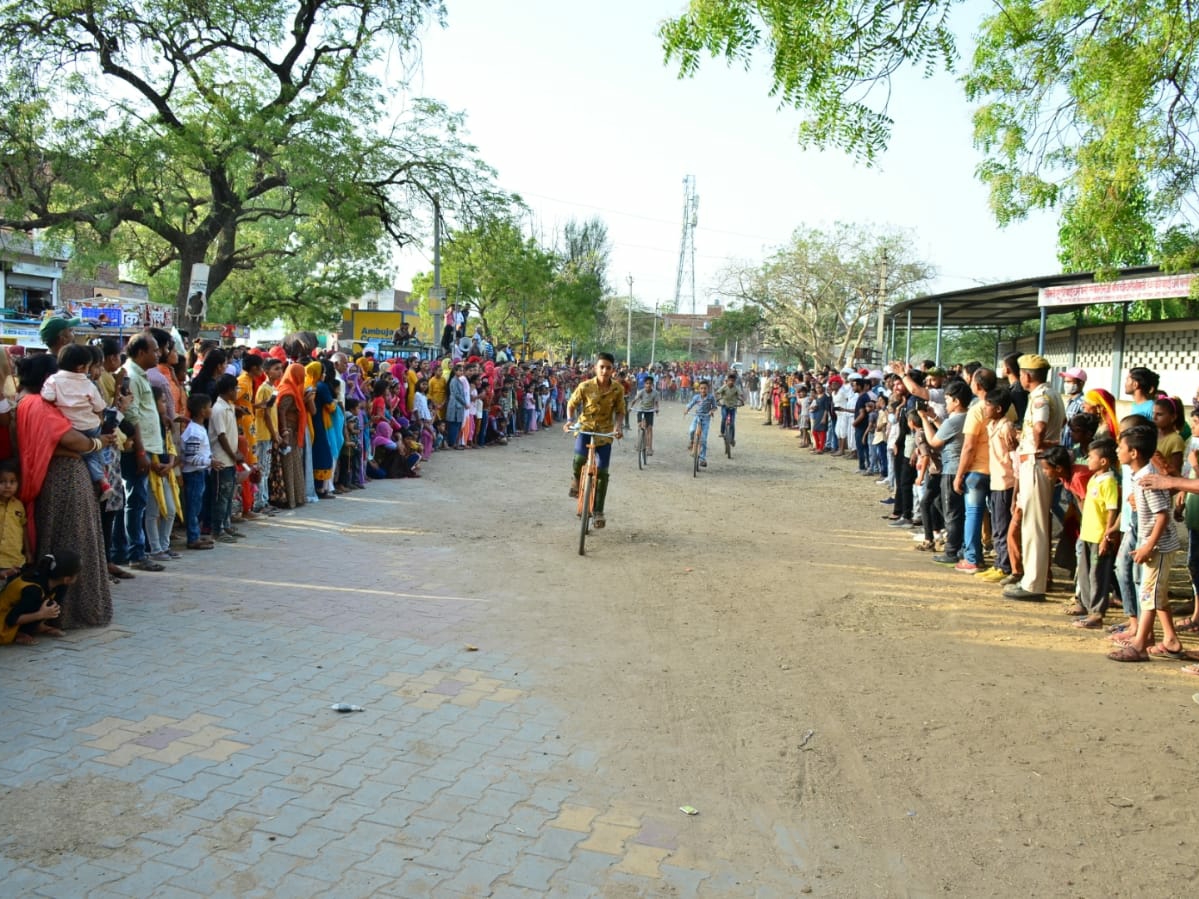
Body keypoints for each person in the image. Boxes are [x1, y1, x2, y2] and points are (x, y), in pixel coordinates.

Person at [15, 354, 115, 628]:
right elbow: (74, 441)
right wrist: (97, 443)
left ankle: (50, 613)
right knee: (76, 540)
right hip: (65, 478)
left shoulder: (23, 401)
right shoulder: (40, 405)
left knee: (56, 538)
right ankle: (71, 612)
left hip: (48, 477)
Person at [1108, 425, 1185, 662]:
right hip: (1151, 542)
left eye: (1121, 446)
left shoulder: (1148, 478)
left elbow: (1162, 515)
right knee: (1156, 595)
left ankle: (1140, 645)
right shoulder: (1138, 475)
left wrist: (1148, 546)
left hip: (1159, 546)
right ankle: (1171, 640)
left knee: (1149, 594)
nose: (1116, 450)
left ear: (1133, 453)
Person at [1003, 354, 1066, 602]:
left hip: (1037, 463)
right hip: (1038, 462)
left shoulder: (1041, 397)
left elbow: (1039, 427)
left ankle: (1033, 583)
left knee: (1034, 525)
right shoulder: (1052, 393)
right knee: (1034, 523)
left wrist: (1036, 448)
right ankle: (1036, 577)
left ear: (1027, 375)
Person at [116, 332, 166, 573]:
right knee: (135, 502)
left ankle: (129, 551)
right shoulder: (131, 376)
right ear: (140, 352)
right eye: (154, 350)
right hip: (136, 448)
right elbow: (132, 414)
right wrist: (140, 450)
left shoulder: (140, 375)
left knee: (136, 501)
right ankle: (135, 553)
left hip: (144, 447)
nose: (159, 354)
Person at [40, 343, 112, 498]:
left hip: (70, 428)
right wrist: (99, 417)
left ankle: (101, 480)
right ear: (80, 367)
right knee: (94, 453)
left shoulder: (54, 379)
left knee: (85, 453)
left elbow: (47, 397)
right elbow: (99, 405)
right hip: (91, 426)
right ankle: (103, 482)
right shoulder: (87, 383)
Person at [564, 353, 625, 529]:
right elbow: (571, 404)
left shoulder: (618, 389)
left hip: (605, 433)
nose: (605, 371)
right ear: (595, 368)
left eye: (608, 368)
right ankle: (576, 479)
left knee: (603, 473)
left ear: (613, 370)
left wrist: (618, 427)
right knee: (579, 459)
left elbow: (620, 411)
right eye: (602, 367)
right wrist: (569, 420)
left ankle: (598, 511)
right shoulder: (585, 386)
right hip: (585, 428)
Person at [1067, 437, 1121, 629]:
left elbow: (1112, 510)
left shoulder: (1109, 482)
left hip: (1099, 536)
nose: (1088, 460)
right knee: (1085, 573)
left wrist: (1107, 536)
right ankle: (1089, 609)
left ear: (1104, 461)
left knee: (1098, 575)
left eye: (1091, 457)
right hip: (1087, 534)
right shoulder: (1094, 479)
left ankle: (1097, 612)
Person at [0, 551, 80, 646]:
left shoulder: (60, 584)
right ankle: (21, 632)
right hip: (3, 619)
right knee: (42, 604)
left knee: (51, 605)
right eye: (77, 574)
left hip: (19, 611)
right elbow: (11, 619)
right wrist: (40, 614)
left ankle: (37, 626)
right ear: (67, 579)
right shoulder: (33, 590)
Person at [207, 374, 242, 543]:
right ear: (229, 390)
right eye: (236, 388)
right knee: (220, 496)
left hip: (230, 459)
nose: (237, 392)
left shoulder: (230, 406)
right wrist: (232, 454)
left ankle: (226, 524)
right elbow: (221, 435)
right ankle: (217, 529)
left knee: (228, 495)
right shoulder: (218, 409)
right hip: (221, 459)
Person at [181, 393, 214, 550]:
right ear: (202, 411)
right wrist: (209, 462)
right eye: (209, 407)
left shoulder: (198, 428)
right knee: (193, 506)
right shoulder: (194, 431)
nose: (211, 409)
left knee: (197, 505)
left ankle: (196, 533)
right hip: (194, 473)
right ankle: (192, 537)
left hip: (199, 472)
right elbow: (190, 457)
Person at [0, 459, 31, 580]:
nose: (8, 486)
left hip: (15, 560)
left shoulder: (19, 505)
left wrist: (28, 552)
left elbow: (23, 528)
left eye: (12, 482)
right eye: (2, 482)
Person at [684, 379, 718, 468]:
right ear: (699, 389)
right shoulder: (696, 397)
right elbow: (690, 404)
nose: (703, 390)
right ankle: (692, 442)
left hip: (706, 418)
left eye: (705, 388)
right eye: (701, 388)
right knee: (691, 430)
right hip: (697, 416)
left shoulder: (711, 397)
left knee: (703, 439)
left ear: (708, 389)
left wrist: (711, 411)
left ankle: (702, 458)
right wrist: (687, 409)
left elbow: (715, 407)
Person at [629, 376, 661, 456]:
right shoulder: (641, 392)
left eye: (650, 383)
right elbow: (635, 400)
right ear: (644, 384)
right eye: (647, 383)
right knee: (640, 426)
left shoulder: (655, 393)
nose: (648, 385)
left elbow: (656, 403)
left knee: (649, 429)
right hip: (641, 410)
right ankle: (639, 443)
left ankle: (649, 447)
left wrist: (657, 409)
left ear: (652, 384)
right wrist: (630, 407)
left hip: (650, 411)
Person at [715, 373, 744, 447]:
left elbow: (741, 394)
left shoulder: (736, 388)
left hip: (733, 407)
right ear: (727, 381)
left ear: (734, 381)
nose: (731, 382)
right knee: (724, 418)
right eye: (730, 380)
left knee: (732, 424)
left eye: (733, 381)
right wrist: (717, 400)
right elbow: (717, 393)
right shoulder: (724, 387)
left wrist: (742, 400)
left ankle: (732, 439)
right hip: (725, 406)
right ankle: (722, 432)